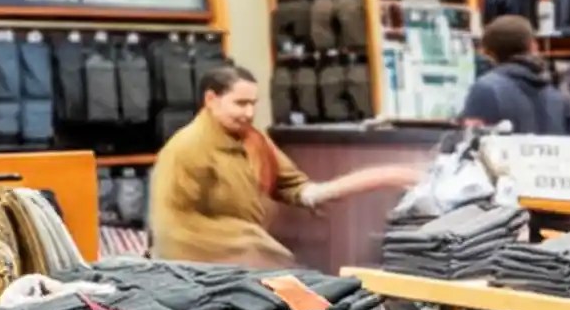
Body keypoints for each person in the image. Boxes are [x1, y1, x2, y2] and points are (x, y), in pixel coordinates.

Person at [149, 66, 421, 267]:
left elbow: (293, 186)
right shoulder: (184, 149)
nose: (249, 113)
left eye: (253, 104)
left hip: (252, 260)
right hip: (209, 270)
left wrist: (331, 191)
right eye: (240, 104)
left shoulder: (254, 140)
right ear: (211, 100)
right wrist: (247, 247)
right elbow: (173, 228)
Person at [462, 14, 570, 134]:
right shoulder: (559, 97)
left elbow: (471, 143)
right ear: (533, 46)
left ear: (488, 53)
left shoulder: (484, 90)